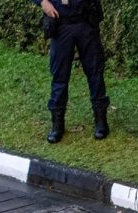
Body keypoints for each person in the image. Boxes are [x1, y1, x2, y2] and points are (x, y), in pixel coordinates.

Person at [37, 0, 110, 144]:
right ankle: (57, 125)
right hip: (60, 24)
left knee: (95, 73)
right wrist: (43, 2)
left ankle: (101, 121)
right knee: (59, 76)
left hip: (86, 22)